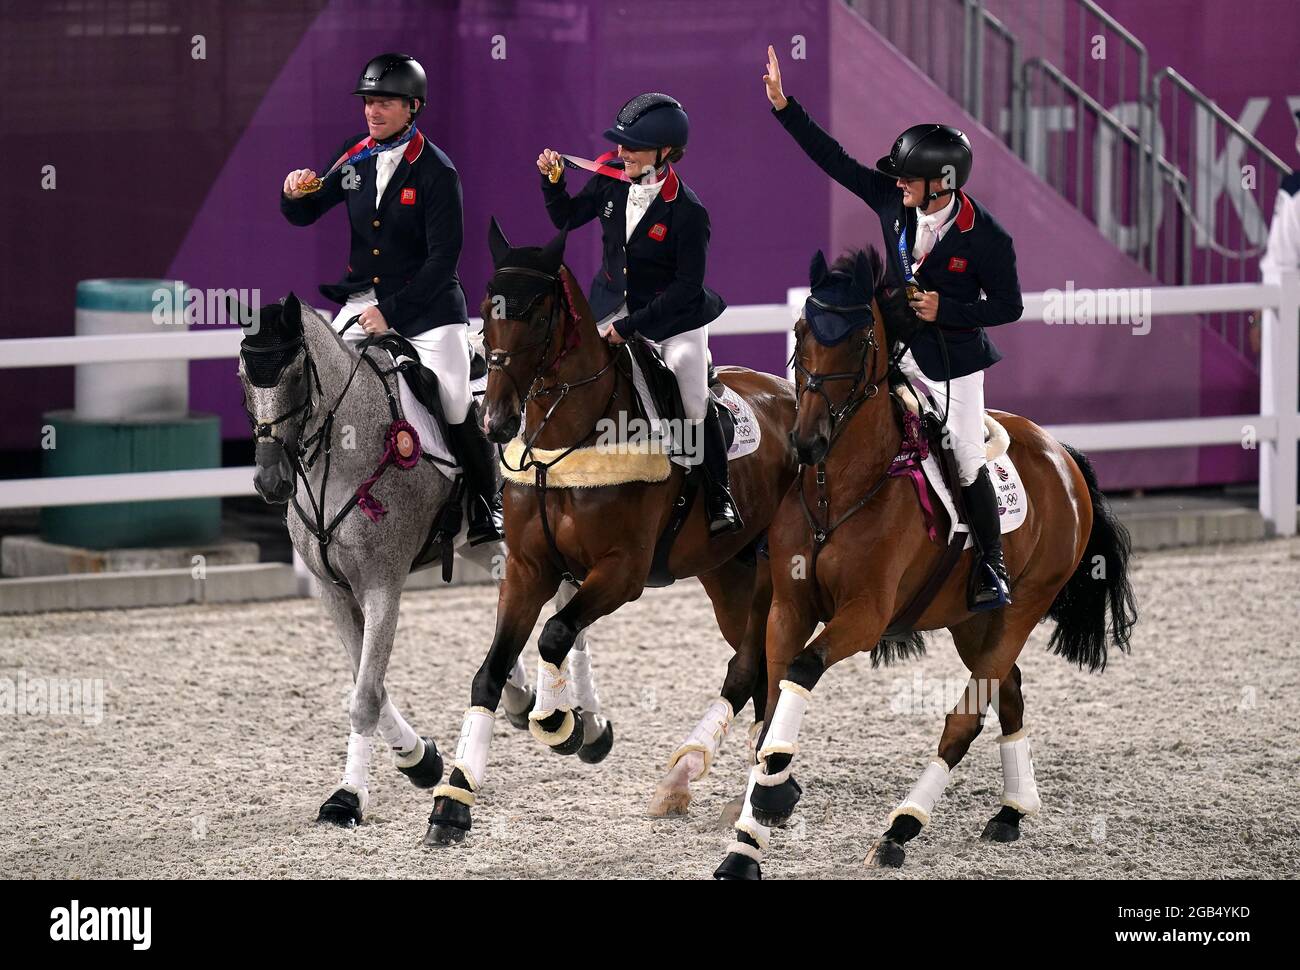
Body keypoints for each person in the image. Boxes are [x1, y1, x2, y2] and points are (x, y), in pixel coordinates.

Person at [763, 46, 1024, 610]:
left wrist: (947, 311)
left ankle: (991, 566)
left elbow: (1009, 306)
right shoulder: (892, 201)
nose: (898, 184)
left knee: (964, 451)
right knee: (829, 411)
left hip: (954, 361)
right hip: (895, 349)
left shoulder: (988, 239)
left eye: (909, 179)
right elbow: (834, 160)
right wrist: (786, 108)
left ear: (942, 185)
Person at [280, 52, 501, 545]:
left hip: (428, 310)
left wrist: (393, 312)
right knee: (318, 378)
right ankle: (313, 496)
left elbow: (443, 260)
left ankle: (488, 504)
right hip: (363, 300)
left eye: (384, 103)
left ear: (413, 107)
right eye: (368, 102)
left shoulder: (437, 172)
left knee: (453, 398)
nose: (372, 111)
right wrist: (293, 193)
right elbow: (306, 212)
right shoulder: (353, 156)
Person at [534, 93, 742, 536]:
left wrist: (629, 328)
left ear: (664, 153)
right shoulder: (611, 180)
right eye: (621, 144)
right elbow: (566, 217)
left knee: (690, 390)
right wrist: (553, 183)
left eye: (632, 147)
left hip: (672, 320)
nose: (621, 153)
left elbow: (687, 288)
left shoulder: (688, 212)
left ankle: (719, 493)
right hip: (610, 306)